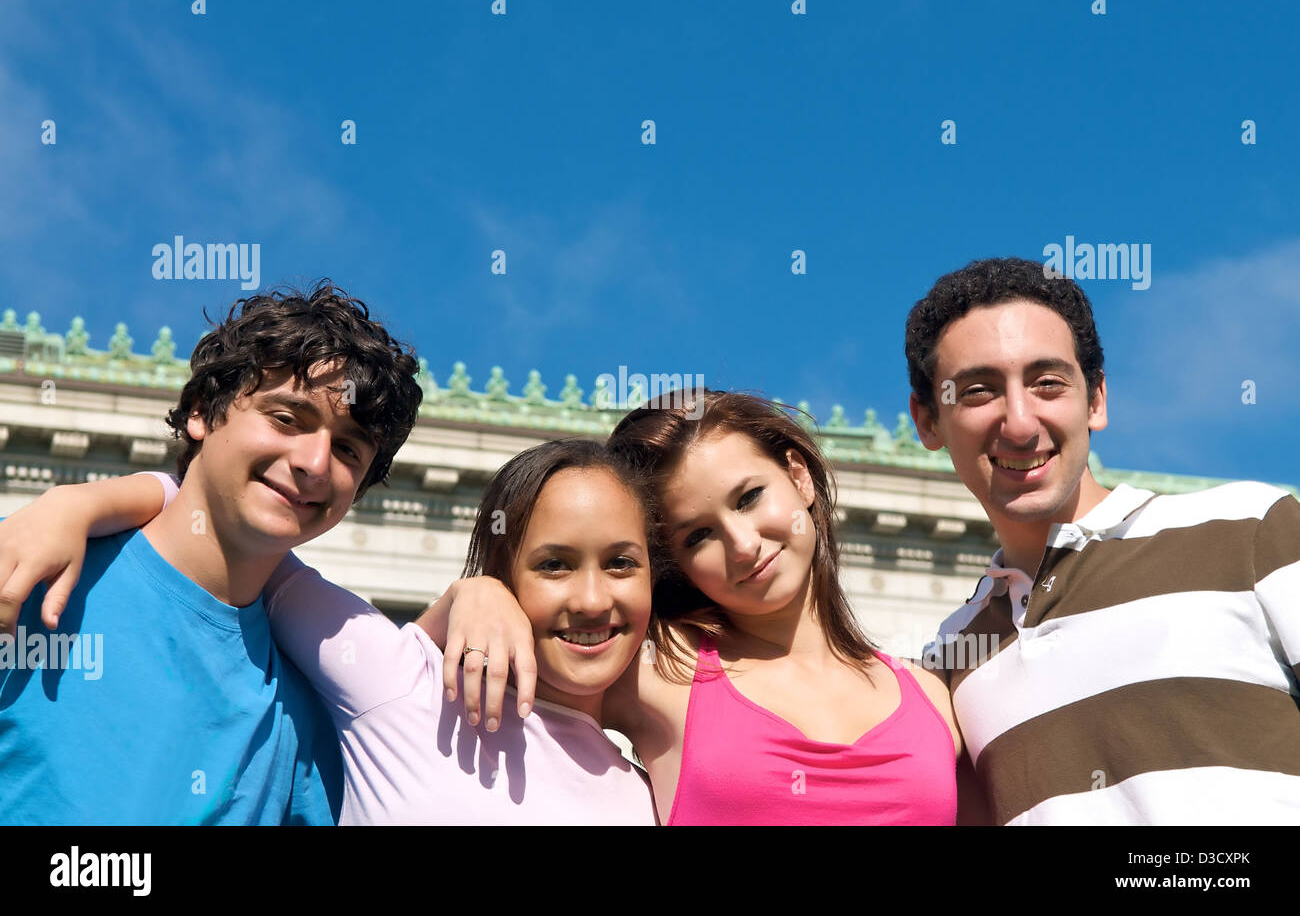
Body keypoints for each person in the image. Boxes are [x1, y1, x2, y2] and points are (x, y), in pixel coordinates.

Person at [1, 440, 658, 824]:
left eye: (622, 561)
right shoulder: (398, 681)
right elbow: (228, 523)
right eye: (553, 564)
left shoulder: (641, 793)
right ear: (505, 571)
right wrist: (75, 502)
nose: (592, 598)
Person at [432, 390, 963, 825]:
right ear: (675, 564)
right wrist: (476, 593)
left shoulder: (933, 699)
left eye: (749, 497)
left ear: (799, 477)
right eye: (698, 535)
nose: (743, 544)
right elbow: (417, 689)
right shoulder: (657, 667)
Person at [0, 282, 423, 824]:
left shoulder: (311, 717)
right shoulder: (29, 565)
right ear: (201, 411)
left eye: (347, 449)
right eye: (287, 419)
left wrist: (482, 596)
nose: (315, 462)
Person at [905, 256, 1300, 824]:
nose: (1019, 422)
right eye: (977, 391)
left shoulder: (1249, 527)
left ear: (1096, 400)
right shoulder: (947, 663)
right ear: (927, 422)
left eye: (1047, 384)